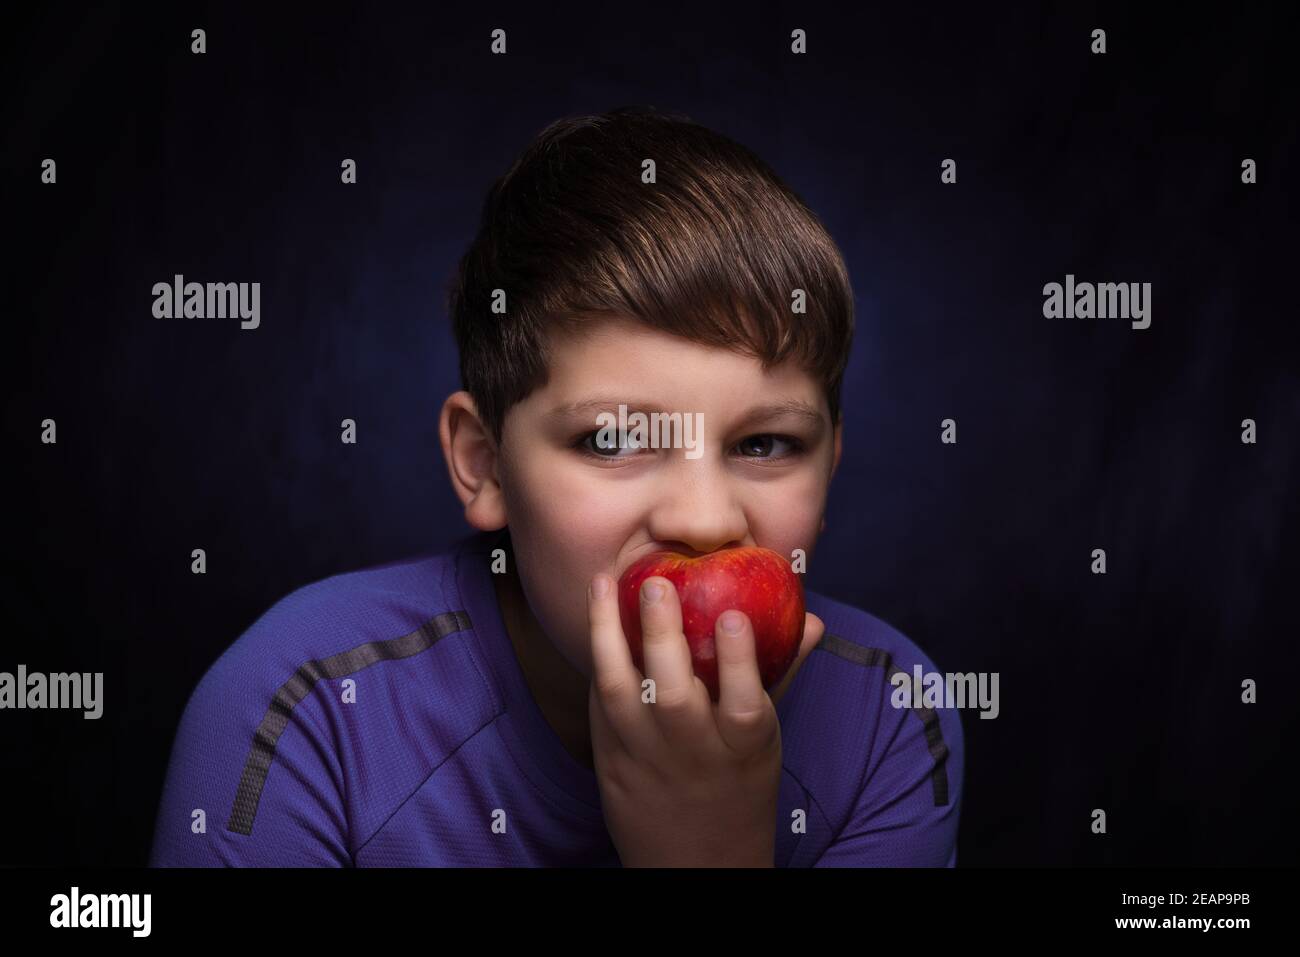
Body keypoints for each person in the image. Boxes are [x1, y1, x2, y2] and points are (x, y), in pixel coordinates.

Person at [149, 106, 963, 867]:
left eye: (764, 442)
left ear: (831, 466)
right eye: (611, 439)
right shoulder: (305, 712)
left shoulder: (890, 723)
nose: (707, 519)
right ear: (486, 463)